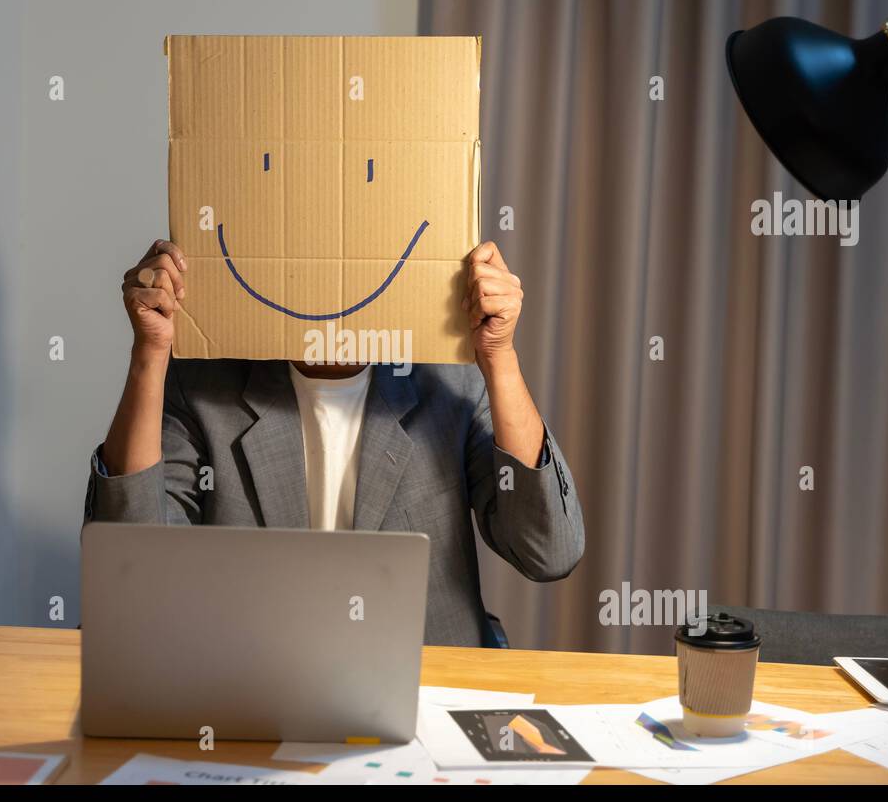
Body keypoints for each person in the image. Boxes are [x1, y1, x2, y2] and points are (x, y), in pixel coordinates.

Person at [85, 238, 585, 647]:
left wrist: (499, 358)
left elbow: (548, 551)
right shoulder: (203, 386)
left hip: (428, 691)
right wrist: (150, 354)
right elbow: (129, 572)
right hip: (251, 691)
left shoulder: (450, 381)